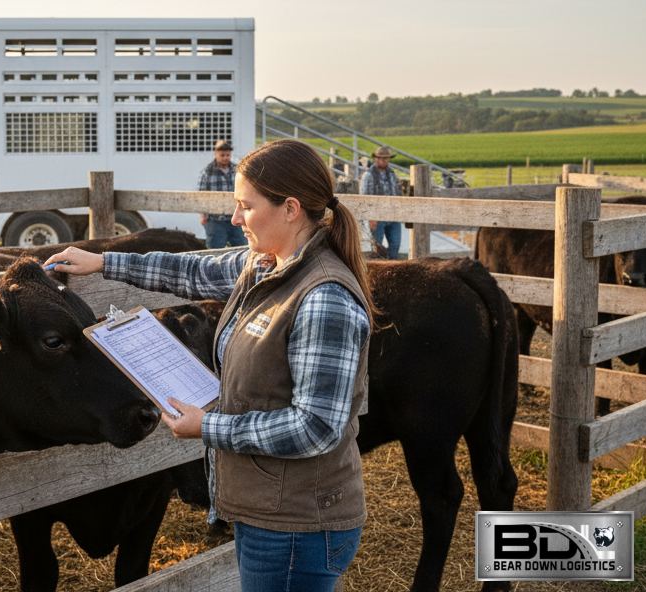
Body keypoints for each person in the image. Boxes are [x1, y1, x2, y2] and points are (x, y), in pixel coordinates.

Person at [44, 139, 375, 592]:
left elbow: (316, 428)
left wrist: (209, 427)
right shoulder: (266, 265)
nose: (235, 219)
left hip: (299, 524)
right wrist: (103, 262)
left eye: (245, 206)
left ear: (291, 209)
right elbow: (191, 272)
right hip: (271, 511)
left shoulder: (323, 299)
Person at [198, 139, 248, 248]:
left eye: (228, 155)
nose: (225, 157)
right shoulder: (207, 172)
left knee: (242, 248)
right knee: (215, 251)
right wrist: (203, 215)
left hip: (235, 217)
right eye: (222, 155)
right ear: (215, 154)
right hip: (215, 220)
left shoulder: (237, 170)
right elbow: (201, 194)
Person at [360, 145, 402, 259]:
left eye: (386, 158)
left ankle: (392, 266)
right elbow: (365, 198)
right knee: (377, 247)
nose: (384, 160)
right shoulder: (368, 175)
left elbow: (397, 193)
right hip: (377, 216)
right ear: (376, 159)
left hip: (393, 215)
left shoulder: (392, 174)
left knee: (395, 244)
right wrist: (370, 217)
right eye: (382, 158)